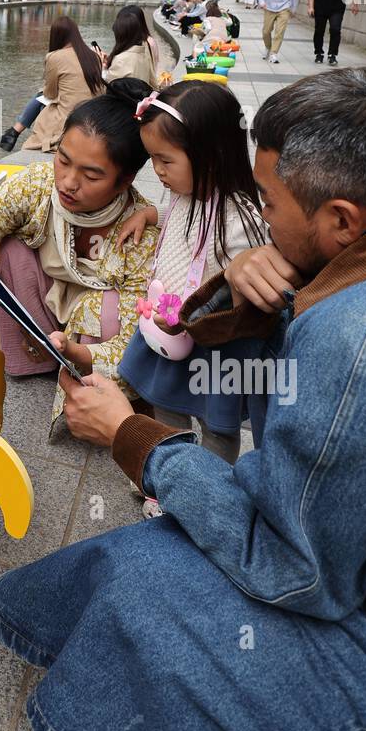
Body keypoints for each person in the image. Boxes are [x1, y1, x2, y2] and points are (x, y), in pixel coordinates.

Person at [0, 67, 366, 731]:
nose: (261, 214)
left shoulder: (354, 343)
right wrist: (256, 273)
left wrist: (132, 436)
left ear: (341, 220)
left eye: (272, 201)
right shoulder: (337, 272)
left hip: (346, 611)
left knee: (131, 575)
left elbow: (292, 568)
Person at [0, 81, 158, 406]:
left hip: (90, 345)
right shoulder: (37, 185)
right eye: (63, 159)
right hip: (39, 311)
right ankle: (31, 358)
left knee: (109, 308)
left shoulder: (140, 235)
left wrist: (75, 351)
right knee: (10, 249)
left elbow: (132, 341)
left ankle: (78, 373)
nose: (68, 182)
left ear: (125, 180)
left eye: (92, 175)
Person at [104, 81, 264, 514]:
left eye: (164, 159)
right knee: (165, 407)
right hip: (165, 330)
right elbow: (172, 211)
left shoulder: (239, 218)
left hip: (212, 342)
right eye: (153, 158)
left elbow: (251, 285)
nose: (156, 170)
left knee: (217, 426)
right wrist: (147, 213)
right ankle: (166, 475)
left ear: (210, 155)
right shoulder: (181, 190)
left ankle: (204, 493)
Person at [0, 17, 105, 154]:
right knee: (41, 95)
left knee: (40, 96)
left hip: (69, 117)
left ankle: (13, 132)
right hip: (92, 115)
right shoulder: (94, 56)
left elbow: (50, 94)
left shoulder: (54, 56)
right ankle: (13, 132)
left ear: (56, 35)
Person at [103, 6, 158, 87]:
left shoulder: (122, 59)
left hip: (127, 97)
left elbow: (109, 83)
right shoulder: (142, 49)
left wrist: (101, 67)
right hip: (142, 94)